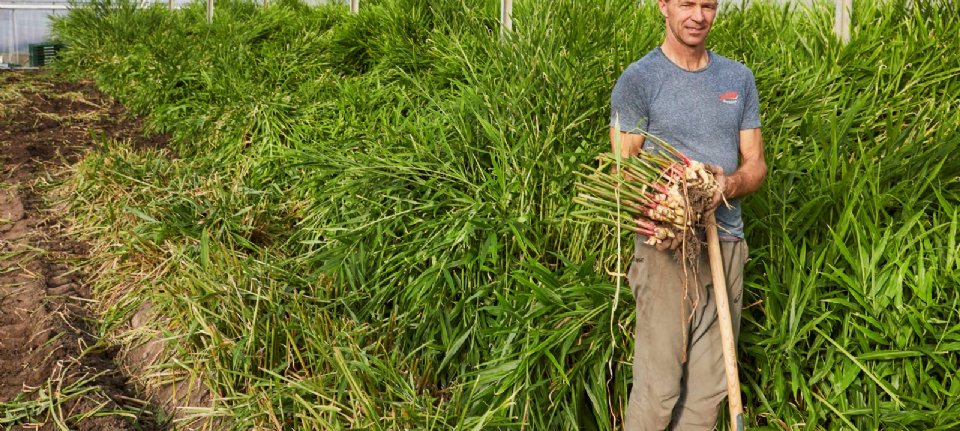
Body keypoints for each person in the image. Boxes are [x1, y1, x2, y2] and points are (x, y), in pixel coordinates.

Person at [608, 0, 767, 429]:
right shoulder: (639, 80)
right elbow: (623, 173)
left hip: (725, 242)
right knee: (658, 390)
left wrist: (726, 186)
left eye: (708, 5)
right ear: (663, 6)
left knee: (707, 395)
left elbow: (755, 165)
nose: (698, 16)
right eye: (686, 4)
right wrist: (675, 196)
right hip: (666, 249)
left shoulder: (737, 78)